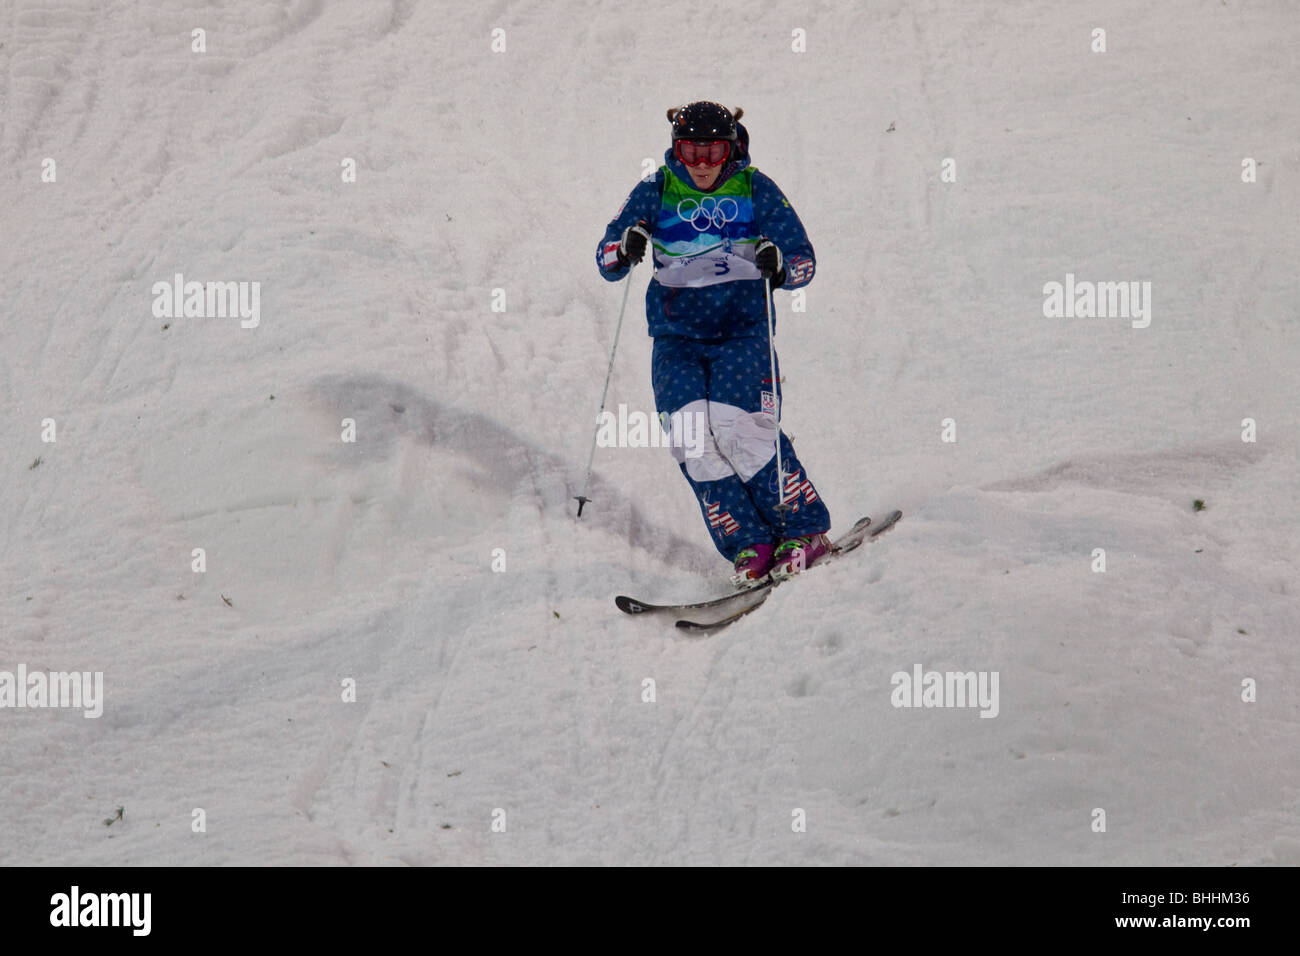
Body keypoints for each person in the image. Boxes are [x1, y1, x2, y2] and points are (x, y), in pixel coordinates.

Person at [596, 101, 833, 588]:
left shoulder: (754, 188)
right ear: (676, 149)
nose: (702, 163)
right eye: (691, 150)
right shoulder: (657, 188)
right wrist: (627, 246)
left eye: (713, 151)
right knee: (690, 439)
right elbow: (605, 257)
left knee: (739, 430)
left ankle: (804, 529)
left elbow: (803, 262)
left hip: (741, 333)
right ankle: (752, 541)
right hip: (676, 337)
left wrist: (778, 261)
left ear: (731, 149)